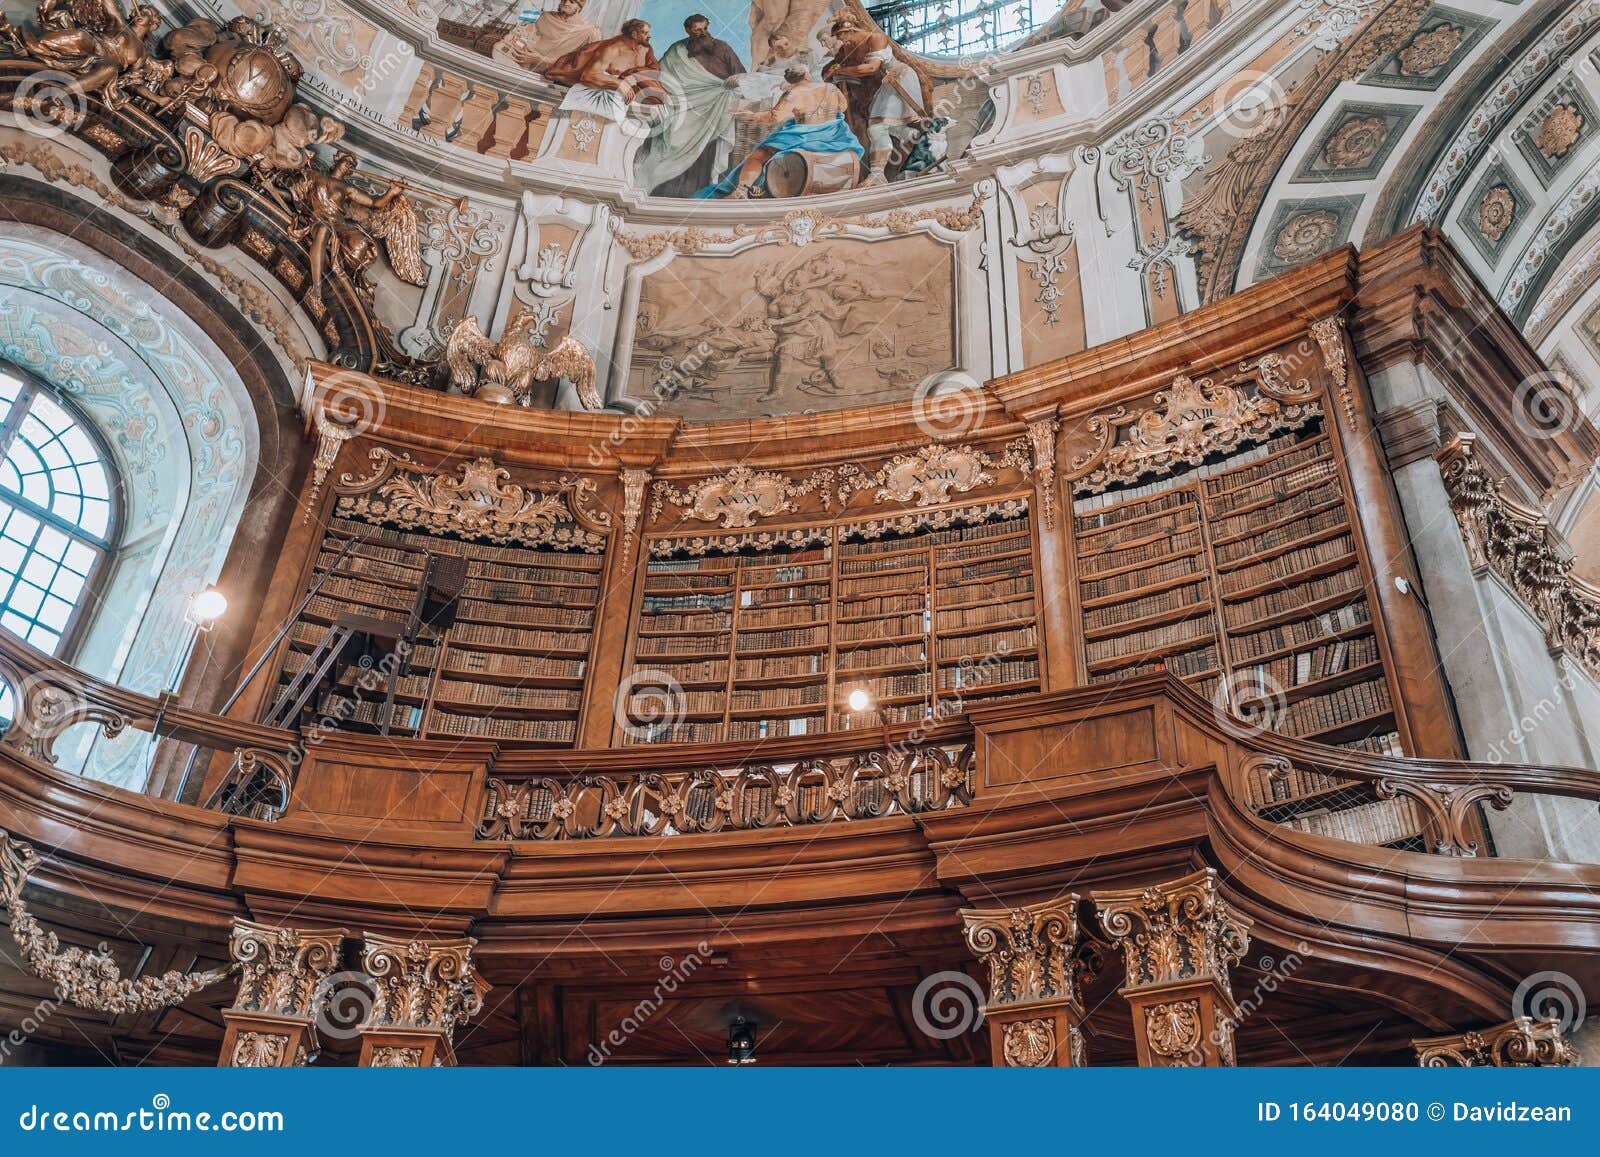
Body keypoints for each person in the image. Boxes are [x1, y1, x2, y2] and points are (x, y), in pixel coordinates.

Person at [695, 65, 859, 200]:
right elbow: (842, 107)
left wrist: (752, 116)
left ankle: (741, 191)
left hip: (805, 136)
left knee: (757, 155)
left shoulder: (793, 93)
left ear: (790, 80)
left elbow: (774, 117)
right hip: (834, 134)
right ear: (807, 76)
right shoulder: (830, 88)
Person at [635, 14, 744, 197]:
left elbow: (742, 76)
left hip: (714, 108)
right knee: (670, 131)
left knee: (704, 148)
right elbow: (661, 75)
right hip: (681, 104)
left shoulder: (723, 48)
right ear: (688, 31)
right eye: (697, 30)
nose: (702, 34)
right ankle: (661, 190)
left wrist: (735, 79)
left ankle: (694, 192)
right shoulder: (677, 50)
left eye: (705, 29)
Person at [821, 10, 932, 186]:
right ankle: (923, 141)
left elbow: (871, 68)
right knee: (891, 128)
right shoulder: (847, 48)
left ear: (851, 30)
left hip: (899, 79)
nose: (843, 41)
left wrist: (840, 71)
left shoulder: (875, 38)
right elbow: (834, 67)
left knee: (877, 127)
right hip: (887, 85)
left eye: (842, 36)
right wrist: (832, 72)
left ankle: (878, 174)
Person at [542, 18, 663, 123]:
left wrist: (632, 77)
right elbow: (588, 75)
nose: (649, 36)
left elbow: (654, 70)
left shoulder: (646, 49)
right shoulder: (612, 49)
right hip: (574, 71)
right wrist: (620, 83)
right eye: (645, 33)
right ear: (634, 34)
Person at [490, 0, 601, 73]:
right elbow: (520, 32)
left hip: (548, 71)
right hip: (521, 57)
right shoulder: (545, 16)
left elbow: (585, 65)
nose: (566, 3)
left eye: (572, 1)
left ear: (579, 7)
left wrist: (541, 60)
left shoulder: (589, 32)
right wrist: (510, 40)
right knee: (498, 47)